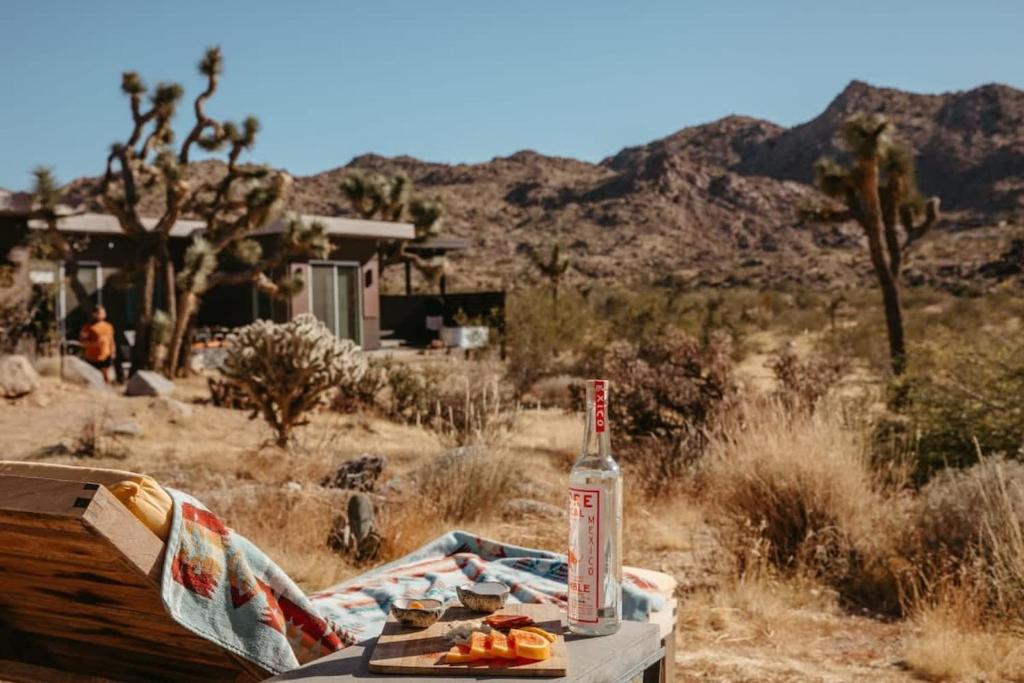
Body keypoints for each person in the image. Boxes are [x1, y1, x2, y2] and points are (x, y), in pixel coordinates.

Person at [79, 304, 115, 383]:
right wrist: (93, 344)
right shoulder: (87, 327)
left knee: (106, 376)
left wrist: (113, 351)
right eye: (100, 313)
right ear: (94, 314)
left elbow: (111, 340)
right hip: (92, 357)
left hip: (105, 356)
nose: (103, 315)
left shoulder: (109, 326)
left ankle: (107, 391)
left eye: (104, 313)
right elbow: (82, 342)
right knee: (90, 378)